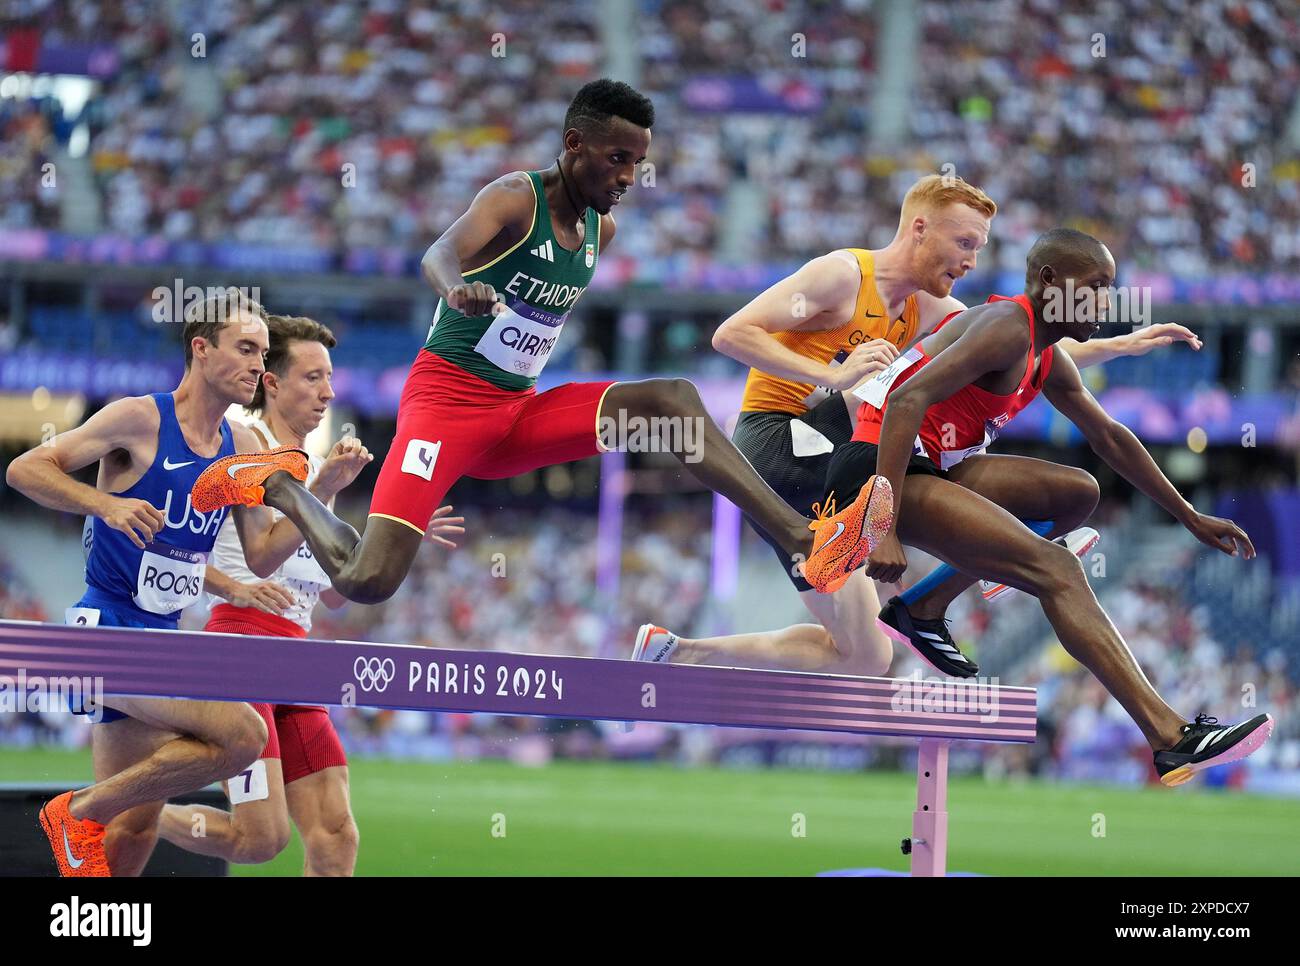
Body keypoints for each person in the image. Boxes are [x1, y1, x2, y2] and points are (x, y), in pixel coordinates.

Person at [190, 79, 891, 607]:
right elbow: (439, 252)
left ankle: (802, 540)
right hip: (444, 406)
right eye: (617, 159)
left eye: (637, 164)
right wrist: (455, 288)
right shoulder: (513, 199)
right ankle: (283, 484)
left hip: (516, 413)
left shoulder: (600, 232)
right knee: (370, 580)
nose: (627, 178)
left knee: (671, 401)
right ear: (573, 145)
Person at [633, 175, 1197, 675]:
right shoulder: (842, 275)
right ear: (920, 229)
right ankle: (1000, 548)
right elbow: (731, 334)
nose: (971, 261)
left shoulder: (928, 309)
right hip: (779, 440)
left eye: (979, 248)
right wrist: (831, 375)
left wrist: (1119, 345)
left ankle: (678, 651)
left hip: (820, 467)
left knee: (864, 656)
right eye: (964, 243)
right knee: (890, 409)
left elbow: (1020, 347)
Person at [823, 227, 1272, 784]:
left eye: (1112, 289)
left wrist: (1188, 515)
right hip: (874, 467)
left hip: (932, 463)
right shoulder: (1008, 328)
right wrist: (881, 521)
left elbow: (1110, 437)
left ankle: (922, 608)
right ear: (1050, 282)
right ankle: (1171, 736)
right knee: (1057, 567)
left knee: (1079, 492)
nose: (1106, 302)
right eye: (1097, 286)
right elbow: (905, 397)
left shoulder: (1048, 355)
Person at [4, 294, 372, 876]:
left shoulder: (244, 447)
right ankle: (74, 810)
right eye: (246, 349)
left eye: (260, 352)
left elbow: (262, 553)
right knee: (244, 734)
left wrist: (321, 491)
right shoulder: (139, 417)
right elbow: (24, 469)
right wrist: (106, 505)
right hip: (106, 630)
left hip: (168, 639)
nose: (258, 363)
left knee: (137, 825)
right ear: (201, 350)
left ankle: (85, 853)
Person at [156, 314, 458, 876]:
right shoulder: (246, 443)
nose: (328, 392)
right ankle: (117, 812)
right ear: (272, 382)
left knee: (336, 834)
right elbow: (262, 556)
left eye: (330, 378)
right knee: (259, 837)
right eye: (313, 377)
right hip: (239, 650)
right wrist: (321, 490)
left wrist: (403, 537)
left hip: (297, 657)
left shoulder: (319, 469)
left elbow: (338, 595)